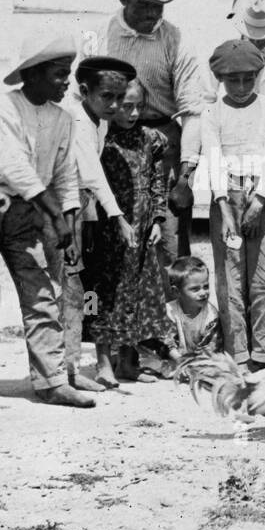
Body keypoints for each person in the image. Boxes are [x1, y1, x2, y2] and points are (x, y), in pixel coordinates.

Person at [0, 37, 92, 409]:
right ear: (31, 75)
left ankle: (51, 380)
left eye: (67, 75)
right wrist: (52, 213)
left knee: (41, 292)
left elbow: (65, 175)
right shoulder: (3, 108)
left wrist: (67, 219)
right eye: (57, 75)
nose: (65, 82)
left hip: (27, 211)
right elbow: (14, 166)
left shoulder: (63, 119)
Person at [100, 0, 203, 266]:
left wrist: (185, 179)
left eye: (157, 5)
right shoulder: (100, 36)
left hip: (164, 146)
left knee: (169, 246)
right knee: (113, 241)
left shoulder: (177, 40)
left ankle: (176, 314)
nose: (152, 12)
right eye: (142, 4)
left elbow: (193, 112)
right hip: (113, 146)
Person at [201, 39, 265, 371]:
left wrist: (259, 200)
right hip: (226, 197)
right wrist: (224, 206)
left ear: (258, 75)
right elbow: (214, 155)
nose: (239, 87)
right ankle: (238, 352)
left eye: (247, 78)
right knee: (230, 276)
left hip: (261, 196)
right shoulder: (212, 112)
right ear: (220, 79)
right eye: (231, 80)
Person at [60, 55, 138, 392]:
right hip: (64, 206)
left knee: (78, 290)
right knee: (70, 291)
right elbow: (90, 171)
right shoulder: (76, 119)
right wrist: (118, 217)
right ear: (84, 91)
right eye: (107, 96)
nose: (115, 104)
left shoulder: (99, 122)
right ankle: (68, 373)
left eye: (120, 97)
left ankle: (71, 368)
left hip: (81, 207)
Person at [90, 78, 174, 386]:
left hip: (140, 232)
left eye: (140, 106)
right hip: (109, 229)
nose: (134, 113)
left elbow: (157, 180)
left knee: (136, 295)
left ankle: (128, 361)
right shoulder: (102, 138)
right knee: (103, 295)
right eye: (127, 106)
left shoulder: (150, 138)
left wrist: (157, 221)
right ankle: (102, 362)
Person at [163, 255, 223, 362]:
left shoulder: (211, 314)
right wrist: (179, 359)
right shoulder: (170, 311)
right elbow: (167, 342)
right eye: (195, 289)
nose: (203, 293)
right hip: (176, 358)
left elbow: (210, 346)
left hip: (201, 358)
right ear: (176, 291)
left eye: (206, 287)